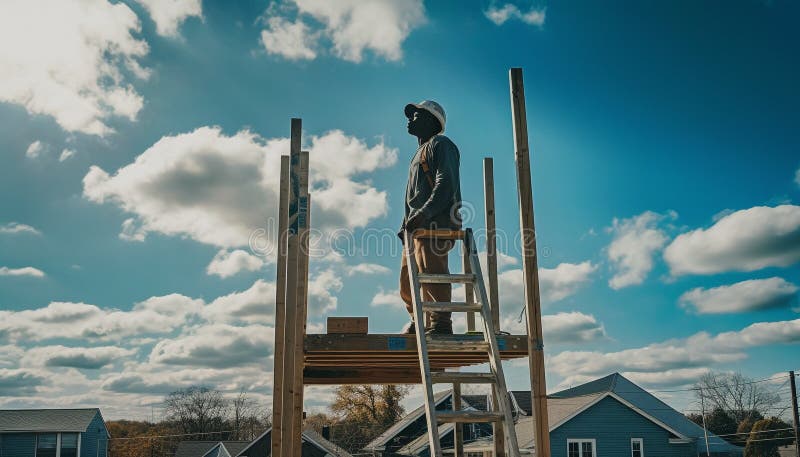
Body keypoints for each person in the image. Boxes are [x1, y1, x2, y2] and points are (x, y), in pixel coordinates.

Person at [398, 100, 462, 335]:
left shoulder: (441, 145)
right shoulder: (418, 153)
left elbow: (446, 183)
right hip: (416, 226)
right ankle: (420, 320)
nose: (410, 119)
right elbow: (412, 195)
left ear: (431, 120)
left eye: (416, 115)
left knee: (432, 272)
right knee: (407, 279)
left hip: (436, 221)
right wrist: (405, 224)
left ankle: (440, 322)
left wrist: (425, 213)